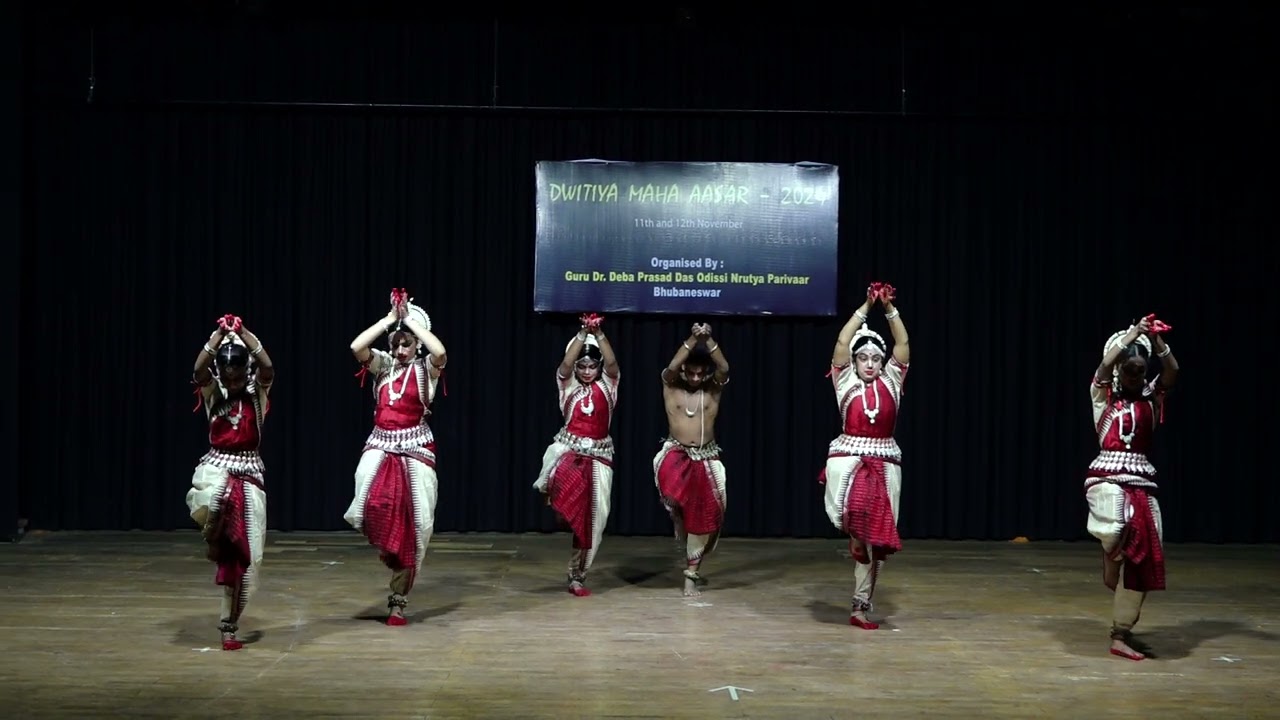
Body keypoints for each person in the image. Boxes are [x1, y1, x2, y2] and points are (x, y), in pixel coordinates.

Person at [344, 290, 447, 626]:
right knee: (367, 502)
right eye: (397, 343)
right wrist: (390, 320)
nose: (401, 349)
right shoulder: (384, 367)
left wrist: (413, 325)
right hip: (381, 444)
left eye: (407, 343)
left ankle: (398, 600)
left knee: (418, 526)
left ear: (416, 343)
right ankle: (386, 542)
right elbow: (356, 347)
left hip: (416, 448)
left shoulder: (426, 370)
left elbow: (441, 351)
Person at [1085, 314, 1178, 661]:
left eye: (1141, 370)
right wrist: (1132, 334)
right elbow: (1105, 365)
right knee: (1117, 527)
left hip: (1141, 478)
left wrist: (1156, 343)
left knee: (1150, 549)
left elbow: (1172, 372)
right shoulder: (1103, 397)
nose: (1135, 375)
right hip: (1107, 477)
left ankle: (1120, 633)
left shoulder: (1152, 399)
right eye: (1130, 369)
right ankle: (1111, 553)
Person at [820, 282, 910, 630]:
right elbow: (842, 342)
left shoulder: (892, 381)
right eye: (863, 358)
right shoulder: (844, 383)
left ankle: (861, 605)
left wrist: (889, 310)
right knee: (858, 524)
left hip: (885, 462)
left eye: (875, 358)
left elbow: (902, 344)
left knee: (877, 541)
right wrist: (865, 307)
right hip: (851, 462)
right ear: (854, 361)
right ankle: (857, 544)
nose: (870, 364)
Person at [186, 314, 275, 651]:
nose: (231, 373)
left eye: (237, 367)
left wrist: (245, 334)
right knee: (215, 503)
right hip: (216, 470)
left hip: (250, 473)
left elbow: (267, 366)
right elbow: (198, 371)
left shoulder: (258, 393)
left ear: (245, 367)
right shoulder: (213, 392)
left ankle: (229, 624)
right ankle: (215, 535)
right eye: (225, 367)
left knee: (248, 556)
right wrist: (218, 336)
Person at [533, 313, 620, 596]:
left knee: (595, 520)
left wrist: (600, 334)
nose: (585, 371)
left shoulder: (608, 387)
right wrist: (583, 333)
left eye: (591, 366)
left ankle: (578, 576)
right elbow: (565, 364)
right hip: (569, 452)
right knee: (562, 485)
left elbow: (613, 364)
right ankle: (555, 498)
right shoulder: (567, 386)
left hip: (600, 458)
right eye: (582, 366)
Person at [654, 323, 730, 597]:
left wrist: (708, 339)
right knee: (677, 496)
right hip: (676, 455)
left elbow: (724, 368)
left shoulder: (712, 390)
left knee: (704, 520)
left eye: (701, 373)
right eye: (692, 372)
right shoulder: (671, 386)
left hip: (706, 457)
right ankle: (678, 514)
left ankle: (691, 575)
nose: (696, 378)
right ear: (685, 371)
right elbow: (672, 366)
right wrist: (692, 339)